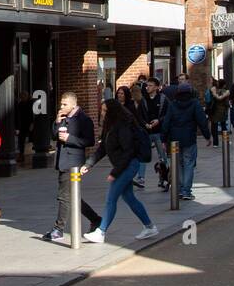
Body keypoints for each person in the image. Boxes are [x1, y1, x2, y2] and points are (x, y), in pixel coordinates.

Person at [80, 99, 157, 244]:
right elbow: (103, 149)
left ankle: (101, 231)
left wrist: (115, 173)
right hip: (123, 166)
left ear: (112, 112)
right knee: (129, 198)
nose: (101, 113)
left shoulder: (123, 126)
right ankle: (149, 226)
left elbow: (128, 152)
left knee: (111, 198)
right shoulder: (110, 126)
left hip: (128, 166)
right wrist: (88, 164)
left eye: (104, 110)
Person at [42, 90, 102, 242]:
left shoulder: (84, 119)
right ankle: (96, 219)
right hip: (62, 161)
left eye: (64, 104)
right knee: (73, 197)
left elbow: (89, 141)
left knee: (64, 196)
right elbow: (54, 136)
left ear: (73, 104)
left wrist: (70, 138)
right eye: (61, 103)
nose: (61, 106)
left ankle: (58, 229)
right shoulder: (62, 117)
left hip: (73, 162)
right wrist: (56, 122)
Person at [161, 81, 210, 200]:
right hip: (189, 138)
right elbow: (202, 121)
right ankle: (186, 190)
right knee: (189, 164)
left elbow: (166, 122)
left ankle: (181, 188)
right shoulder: (194, 103)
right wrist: (207, 136)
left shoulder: (173, 104)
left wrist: (163, 139)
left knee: (178, 164)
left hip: (174, 139)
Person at [140, 77, 169, 179]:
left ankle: (166, 176)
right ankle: (141, 178)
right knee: (143, 155)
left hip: (159, 132)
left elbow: (168, 114)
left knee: (163, 156)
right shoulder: (143, 100)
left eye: (150, 85)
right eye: (147, 85)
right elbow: (139, 116)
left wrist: (159, 121)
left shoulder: (163, 99)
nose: (147, 87)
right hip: (146, 132)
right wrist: (145, 124)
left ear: (156, 87)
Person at [207, 80, 230, 146]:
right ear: (224, 85)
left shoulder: (213, 90)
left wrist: (214, 94)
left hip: (213, 110)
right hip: (223, 111)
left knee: (214, 126)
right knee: (223, 126)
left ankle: (215, 143)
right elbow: (222, 99)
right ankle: (225, 141)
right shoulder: (226, 92)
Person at [16, 90, 33, 164]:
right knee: (21, 140)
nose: (22, 98)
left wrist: (32, 123)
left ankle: (27, 154)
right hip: (22, 125)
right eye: (21, 97)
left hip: (29, 123)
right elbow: (18, 116)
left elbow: (32, 114)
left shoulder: (31, 104)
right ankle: (21, 154)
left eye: (23, 96)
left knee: (31, 139)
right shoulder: (20, 105)